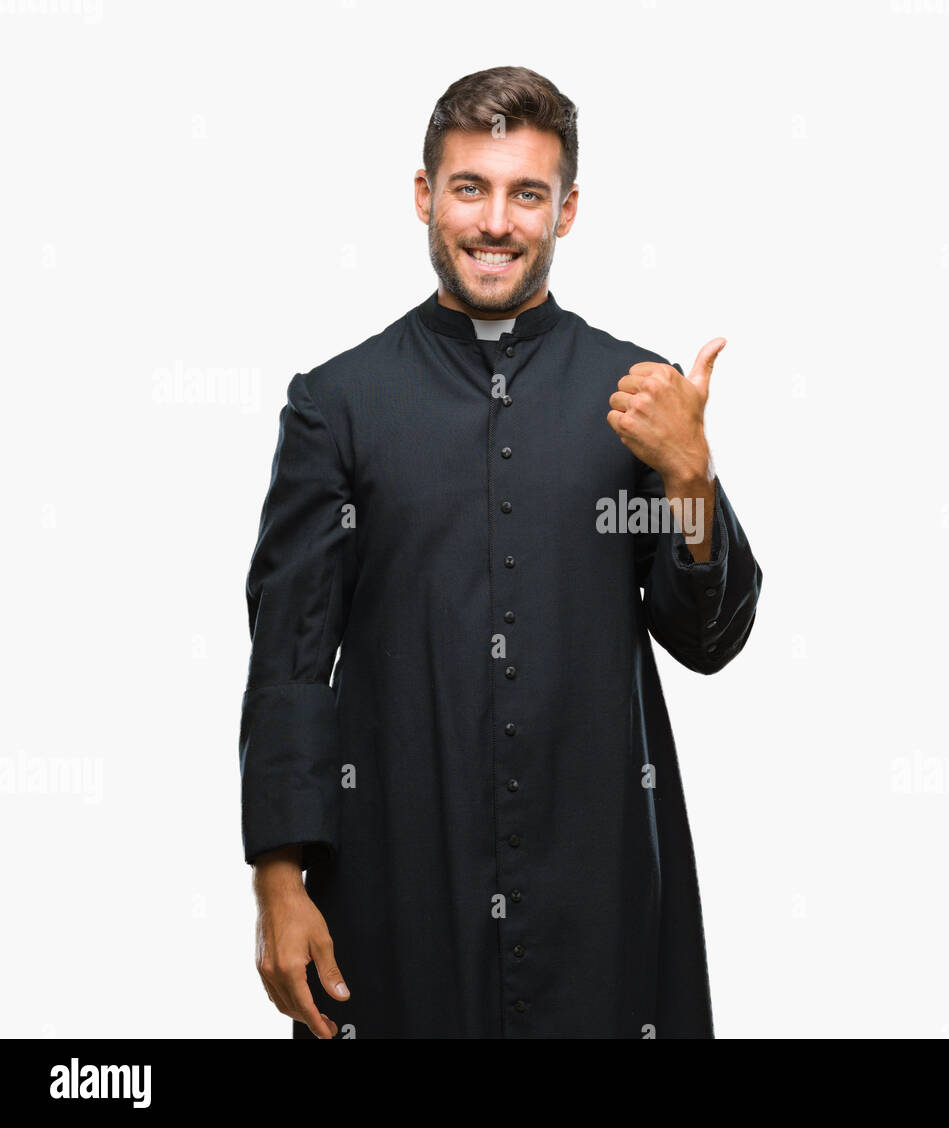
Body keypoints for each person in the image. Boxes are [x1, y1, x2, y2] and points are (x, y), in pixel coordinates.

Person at [240, 65, 762, 1038]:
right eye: (469, 187)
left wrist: (690, 479)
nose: (495, 221)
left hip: (598, 891)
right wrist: (279, 876)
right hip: (398, 876)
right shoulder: (337, 406)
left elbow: (705, 638)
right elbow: (289, 660)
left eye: (527, 194)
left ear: (566, 212)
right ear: (423, 196)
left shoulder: (637, 402)